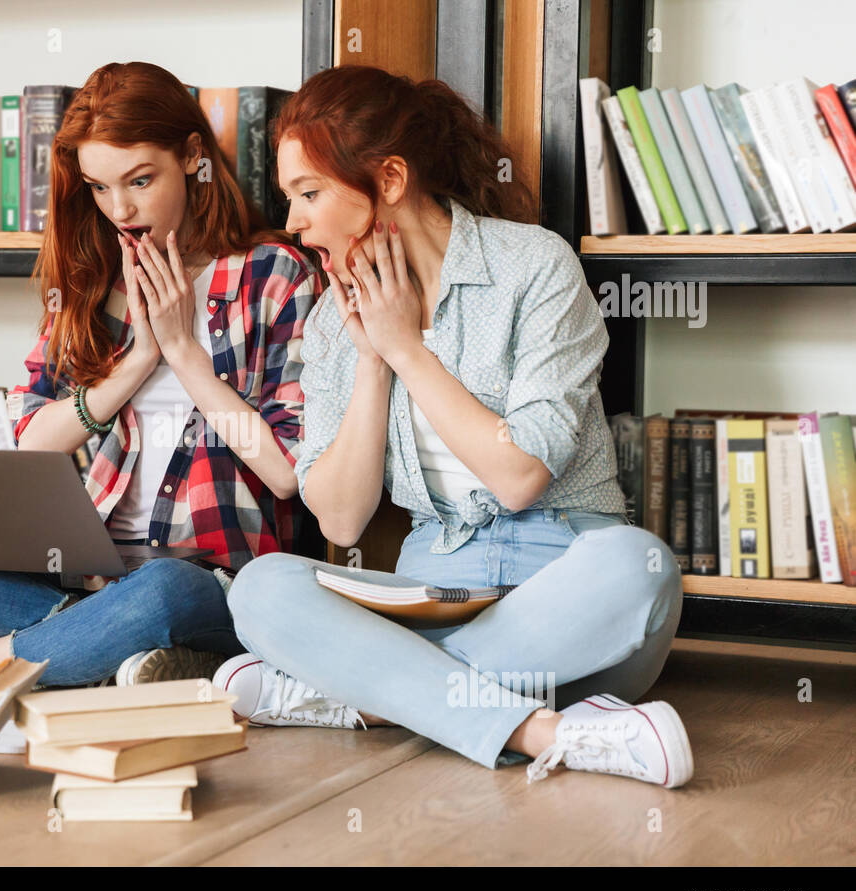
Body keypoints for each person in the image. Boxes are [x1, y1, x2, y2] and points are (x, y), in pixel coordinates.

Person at [218, 66, 694, 789]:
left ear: (389, 180)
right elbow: (341, 520)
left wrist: (409, 348)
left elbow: (519, 475)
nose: (293, 223)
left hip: (570, 597)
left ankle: (370, 698)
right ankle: (546, 729)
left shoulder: (533, 266)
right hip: (435, 596)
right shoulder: (330, 322)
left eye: (309, 194)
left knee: (641, 566)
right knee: (259, 589)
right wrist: (373, 360)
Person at [0, 62, 321, 701]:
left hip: (208, 580)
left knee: (163, 591)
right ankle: (111, 648)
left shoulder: (272, 274)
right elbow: (31, 438)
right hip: (89, 573)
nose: (121, 210)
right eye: (100, 188)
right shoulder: (91, 280)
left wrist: (184, 353)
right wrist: (134, 364)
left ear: (193, 156)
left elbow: (286, 470)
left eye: (140, 180)